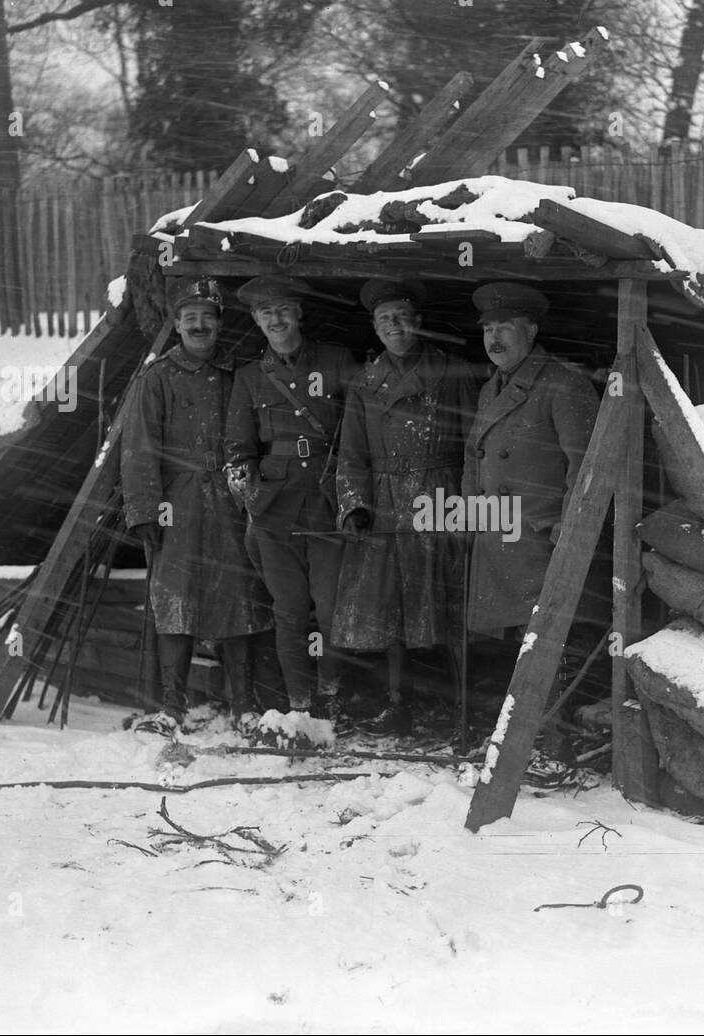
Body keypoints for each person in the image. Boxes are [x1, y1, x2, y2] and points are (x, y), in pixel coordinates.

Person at [120, 277, 272, 737]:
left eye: (208, 317)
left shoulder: (239, 374)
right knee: (175, 600)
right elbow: (139, 448)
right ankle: (172, 707)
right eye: (190, 318)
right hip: (178, 501)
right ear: (177, 323)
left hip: (231, 497)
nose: (199, 325)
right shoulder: (157, 378)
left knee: (238, 597)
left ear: (220, 323)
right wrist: (146, 510)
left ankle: (243, 704)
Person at [462, 281, 606, 764]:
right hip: (501, 533)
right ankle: (525, 738)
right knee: (522, 646)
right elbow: (475, 458)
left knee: (548, 645)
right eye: (488, 330)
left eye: (505, 328)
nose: (494, 339)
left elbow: (585, 468)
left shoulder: (562, 384)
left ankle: (551, 743)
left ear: (531, 331)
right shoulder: (491, 387)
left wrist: (570, 530)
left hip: (541, 538)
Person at [331, 279, 483, 734]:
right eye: (384, 320)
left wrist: (468, 505)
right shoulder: (363, 383)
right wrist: (354, 505)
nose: (393, 326)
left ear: (418, 323)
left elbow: (474, 443)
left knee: (448, 600)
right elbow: (351, 453)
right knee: (392, 605)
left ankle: (463, 708)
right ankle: (399, 704)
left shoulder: (451, 371)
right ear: (374, 329)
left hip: (439, 494)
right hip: (386, 503)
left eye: (401, 317)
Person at [224, 275, 362, 722]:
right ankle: (299, 705)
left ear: (299, 313)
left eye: (283, 310)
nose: (276, 320)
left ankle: (332, 694)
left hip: (325, 502)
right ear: (256, 321)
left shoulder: (337, 361)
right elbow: (238, 450)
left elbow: (361, 428)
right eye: (266, 314)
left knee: (331, 607)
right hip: (274, 511)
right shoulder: (248, 377)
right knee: (289, 612)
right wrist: (250, 498)